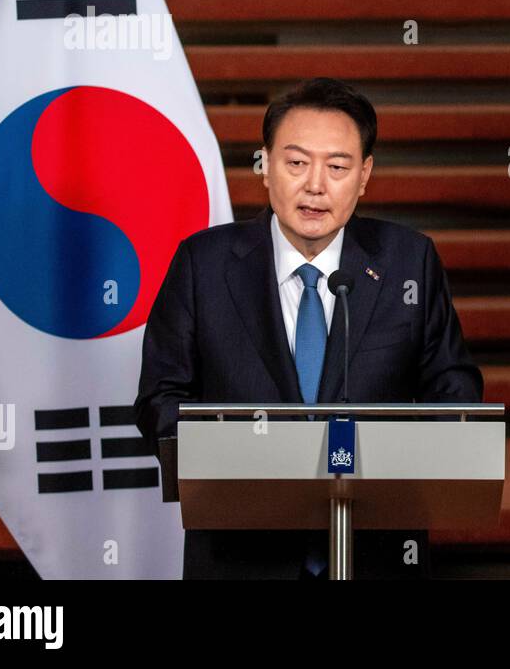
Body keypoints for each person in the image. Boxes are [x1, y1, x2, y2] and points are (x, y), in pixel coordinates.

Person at [135, 78, 482, 579]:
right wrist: (246, 465)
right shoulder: (203, 264)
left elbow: (456, 393)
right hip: (241, 555)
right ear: (265, 165)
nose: (315, 185)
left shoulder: (409, 261)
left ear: (364, 175)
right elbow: (160, 397)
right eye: (296, 163)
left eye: (337, 167)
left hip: (375, 551)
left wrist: (398, 463)